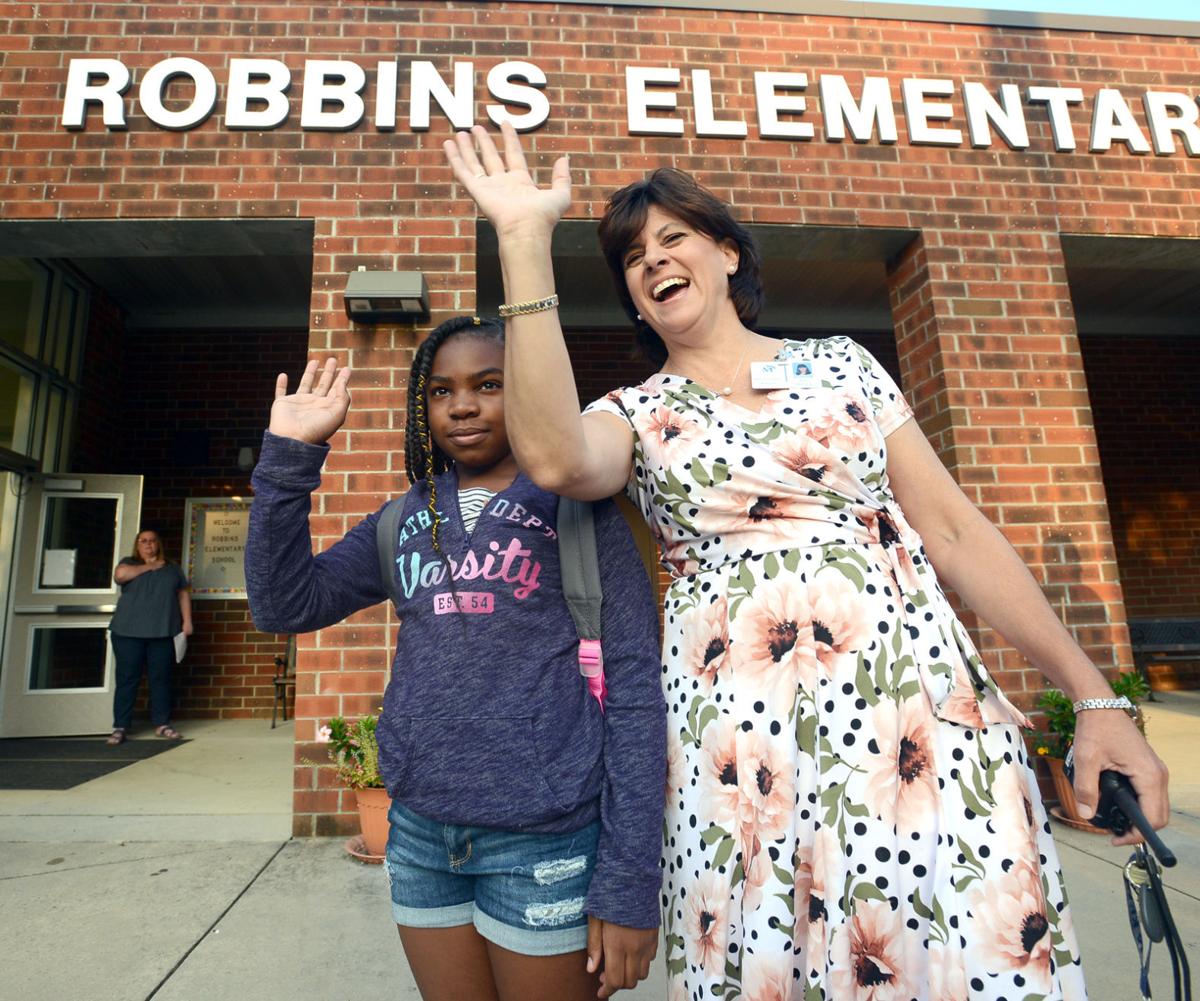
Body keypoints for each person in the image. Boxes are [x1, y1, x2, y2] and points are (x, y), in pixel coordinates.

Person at [442, 122, 1171, 1000]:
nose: (655, 260)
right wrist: (523, 243)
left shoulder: (843, 365)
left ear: (726, 254)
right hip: (743, 746)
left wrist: (1095, 696)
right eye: (634, 256)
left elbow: (955, 531)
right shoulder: (635, 414)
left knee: (944, 948)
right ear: (633, 298)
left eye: (675, 237)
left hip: (914, 718)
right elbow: (557, 459)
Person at [243, 315, 666, 1001]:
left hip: (545, 839)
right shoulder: (402, 517)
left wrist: (628, 881)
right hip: (420, 836)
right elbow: (284, 605)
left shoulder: (581, 508)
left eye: (488, 384)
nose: (462, 405)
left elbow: (638, 697)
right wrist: (289, 460)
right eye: (441, 391)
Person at [107, 529, 191, 745]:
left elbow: (183, 594)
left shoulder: (172, 568)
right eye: (143, 541)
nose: (148, 544)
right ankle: (121, 726)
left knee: (161, 679)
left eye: (152, 541)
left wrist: (187, 621)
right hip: (128, 632)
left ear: (158, 543)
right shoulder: (129, 563)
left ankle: (162, 724)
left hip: (162, 632)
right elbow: (119, 575)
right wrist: (148, 566)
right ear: (137, 546)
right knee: (127, 679)